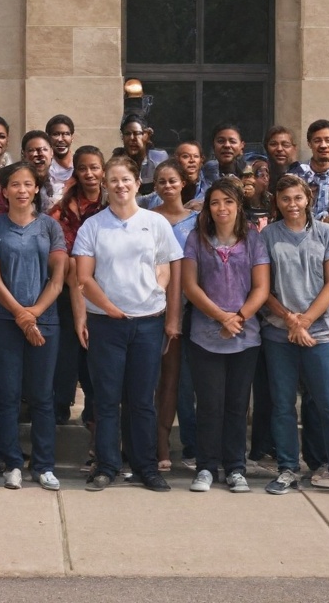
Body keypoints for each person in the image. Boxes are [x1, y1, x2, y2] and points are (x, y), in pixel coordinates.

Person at [72, 155, 182, 491]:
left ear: (137, 183)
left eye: (126, 179)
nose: (120, 185)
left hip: (148, 323)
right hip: (107, 323)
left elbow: (167, 268)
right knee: (106, 399)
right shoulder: (93, 226)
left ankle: (146, 467)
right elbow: (83, 277)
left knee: (141, 399)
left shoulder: (156, 223)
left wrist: (157, 296)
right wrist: (110, 308)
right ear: (105, 185)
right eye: (113, 180)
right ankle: (106, 466)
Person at [253, 175, 329, 497]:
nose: (292, 205)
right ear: (277, 202)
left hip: (320, 334)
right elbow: (261, 287)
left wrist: (305, 321)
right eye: (285, 199)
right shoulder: (267, 236)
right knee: (283, 405)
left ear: (308, 199)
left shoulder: (326, 234)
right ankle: (287, 468)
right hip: (278, 335)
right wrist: (289, 321)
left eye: (297, 198)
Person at [0, 161, 67, 491]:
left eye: (27, 184)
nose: (21, 190)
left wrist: (34, 314)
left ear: (36, 189)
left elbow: (58, 278)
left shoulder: (49, 227)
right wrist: (20, 314)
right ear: (4, 190)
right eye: (14, 184)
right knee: (6, 396)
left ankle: (44, 465)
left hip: (45, 321)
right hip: (3, 321)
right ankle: (12, 463)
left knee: (42, 396)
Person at [180, 178, 266, 493]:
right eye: (215, 202)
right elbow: (190, 286)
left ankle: (235, 468)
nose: (222, 208)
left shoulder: (254, 240)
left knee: (237, 404)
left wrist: (239, 317)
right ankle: (206, 466)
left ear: (238, 206)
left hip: (246, 336)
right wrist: (221, 317)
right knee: (209, 404)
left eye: (228, 202)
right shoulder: (195, 239)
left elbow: (261, 287)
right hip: (206, 335)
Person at [48, 145, 107, 433]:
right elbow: (63, 252)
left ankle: (93, 415)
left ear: (103, 170)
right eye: (82, 168)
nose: (89, 173)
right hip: (67, 287)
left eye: (94, 167)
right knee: (67, 352)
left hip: (105, 289)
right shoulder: (62, 209)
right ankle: (59, 409)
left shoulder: (112, 205)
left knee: (95, 356)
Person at [144, 159, 197, 474]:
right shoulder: (148, 219)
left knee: (177, 380)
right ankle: (154, 442)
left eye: (172, 181)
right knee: (152, 377)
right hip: (151, 305)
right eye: (160, 181)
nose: (166, 186)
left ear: (182, 184)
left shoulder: (197, 219)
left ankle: (176, 440)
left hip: (194, 307)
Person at [295, 120, 329, 221]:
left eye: (328, 140)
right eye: (317, 140)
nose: (323, 145)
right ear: (309, 144)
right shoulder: (296, 175)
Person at [43, 114, 76, 196]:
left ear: (72, 137)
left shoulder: (79, 165)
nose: (61, 139)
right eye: (56, 134)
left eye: (66, 134)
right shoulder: (43, 168)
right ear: (48, 137)